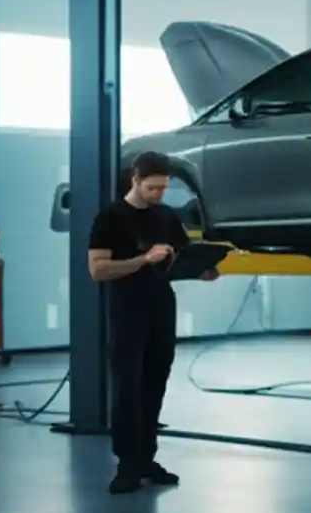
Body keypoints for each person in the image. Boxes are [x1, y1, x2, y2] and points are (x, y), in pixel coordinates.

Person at [87, 150, 219, 494]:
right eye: (152, 188)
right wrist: (143, 259)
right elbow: (98, 270)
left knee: (154, 383)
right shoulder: (110, 218)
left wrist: (200, 269)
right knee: (127, 388)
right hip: (127, 309)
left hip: (161, 307)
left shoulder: (166, 216)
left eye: (163, 188)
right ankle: (127, 465)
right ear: (136, 180)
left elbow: (179, 259)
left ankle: (146, 459)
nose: (158, 194)